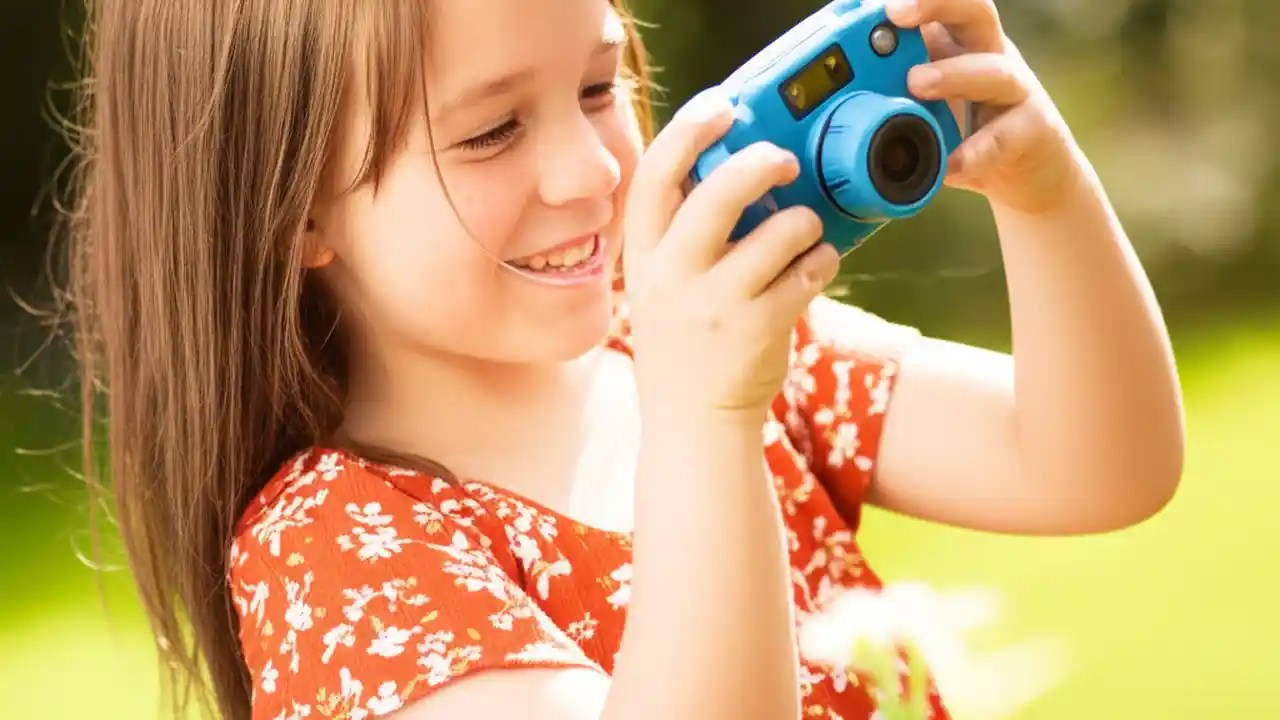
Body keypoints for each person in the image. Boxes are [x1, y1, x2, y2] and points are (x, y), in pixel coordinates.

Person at [60, 0, 1184, 718]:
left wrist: (1045, 190)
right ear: (296, 209)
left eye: (598, 88)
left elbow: (1095, 463)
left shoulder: (692, 345)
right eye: (492, 130)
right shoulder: (338, 556)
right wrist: (705, 422)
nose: (591, 172)